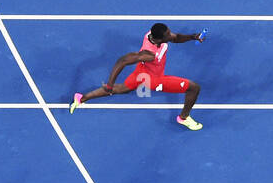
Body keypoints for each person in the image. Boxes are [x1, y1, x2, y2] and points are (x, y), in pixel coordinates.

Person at [69, 23, 207, 131]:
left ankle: (81, 98)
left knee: (122, 88)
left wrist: (192, 37)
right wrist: (110, 82)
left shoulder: (152, 35)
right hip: (154, 80)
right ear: (159, 38)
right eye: (167, 34)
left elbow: (176, 38)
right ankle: (183, 117)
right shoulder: (148, 54)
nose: (170, 35)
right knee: (194, 88)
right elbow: (122, 61)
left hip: (141, 72)